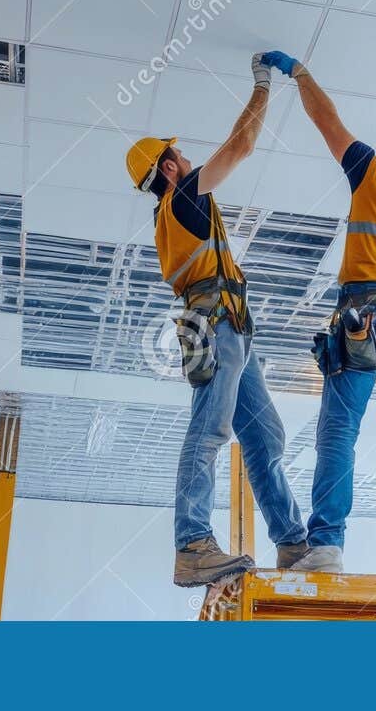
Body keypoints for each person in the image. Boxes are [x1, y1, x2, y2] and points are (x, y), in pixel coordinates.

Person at [258, 49, 376, 577]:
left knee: (340, 430)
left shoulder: (373, 171)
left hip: (367, 319)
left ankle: (326, 549)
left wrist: (299, 73)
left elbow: (326, 120)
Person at [124, 52, 308, 587]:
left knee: (265, 435)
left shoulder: (177, 209)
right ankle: (193, 543)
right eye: (179, 153)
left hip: (231, 327)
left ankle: (293, 543)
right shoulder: (183, 197)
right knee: (210, 430)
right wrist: (260, 86)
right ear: (168, 167)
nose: (186, 157)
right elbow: (242, 145)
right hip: (219, 327)